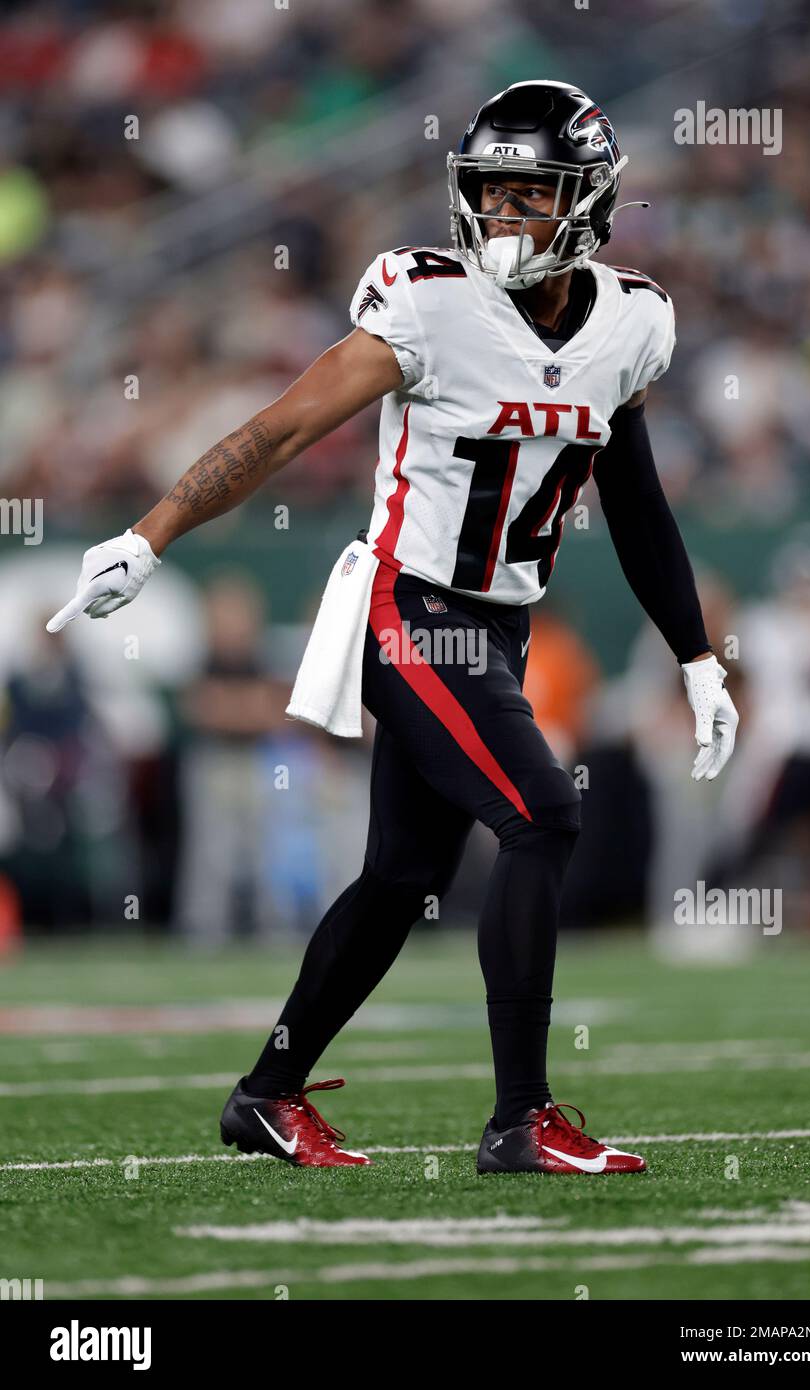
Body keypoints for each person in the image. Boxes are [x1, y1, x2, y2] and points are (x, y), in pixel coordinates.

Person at [47, 80, 739, 1175]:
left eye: (534, 196)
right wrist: (151, 532)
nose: (507, 217)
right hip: (406, 605)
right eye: (493, 193)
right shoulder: (426, 302)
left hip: (501, 624)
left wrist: (694, 654)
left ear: (591, 203)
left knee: (401, 878)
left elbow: (639, 501)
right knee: (541, 815)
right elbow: (281, 429)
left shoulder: (631, 321)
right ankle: (521, 1117)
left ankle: (265, 1095)